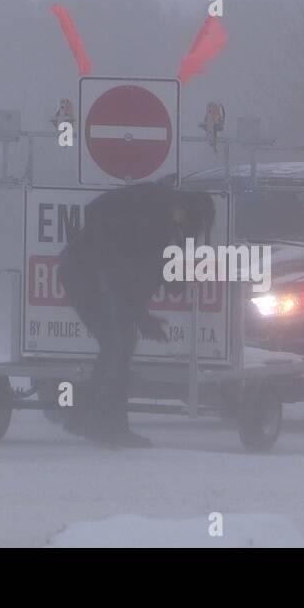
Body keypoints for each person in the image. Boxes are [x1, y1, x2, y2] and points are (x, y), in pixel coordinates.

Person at [58, 183, 215, 447]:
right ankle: (96, 422)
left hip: (87, 271)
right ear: (191, 216)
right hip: (88, 273)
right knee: (117, 344)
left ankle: (90, 419)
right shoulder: (157, 221)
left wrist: (144, 314)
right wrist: (142, 318)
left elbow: (157, 278)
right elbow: (123, 279)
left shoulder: (163, 220)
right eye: (199, 227)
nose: (197, 234)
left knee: (118, 344)